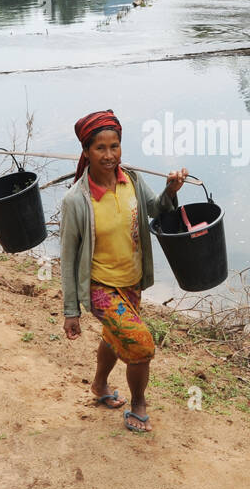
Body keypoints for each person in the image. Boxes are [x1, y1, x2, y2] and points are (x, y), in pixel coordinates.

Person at [59, 110, 187, 433]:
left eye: (114, 146)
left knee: (115, 337)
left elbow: (154, 208)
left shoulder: (132, 180)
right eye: (100, 148)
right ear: (86, 151)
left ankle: (99, 385)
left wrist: (170, 191)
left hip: (132, 281)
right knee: (141, 344)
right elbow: (69, 257)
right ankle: (138, 404)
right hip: (101, 287)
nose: (109, 155)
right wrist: (71, 310)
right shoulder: (76, 200)